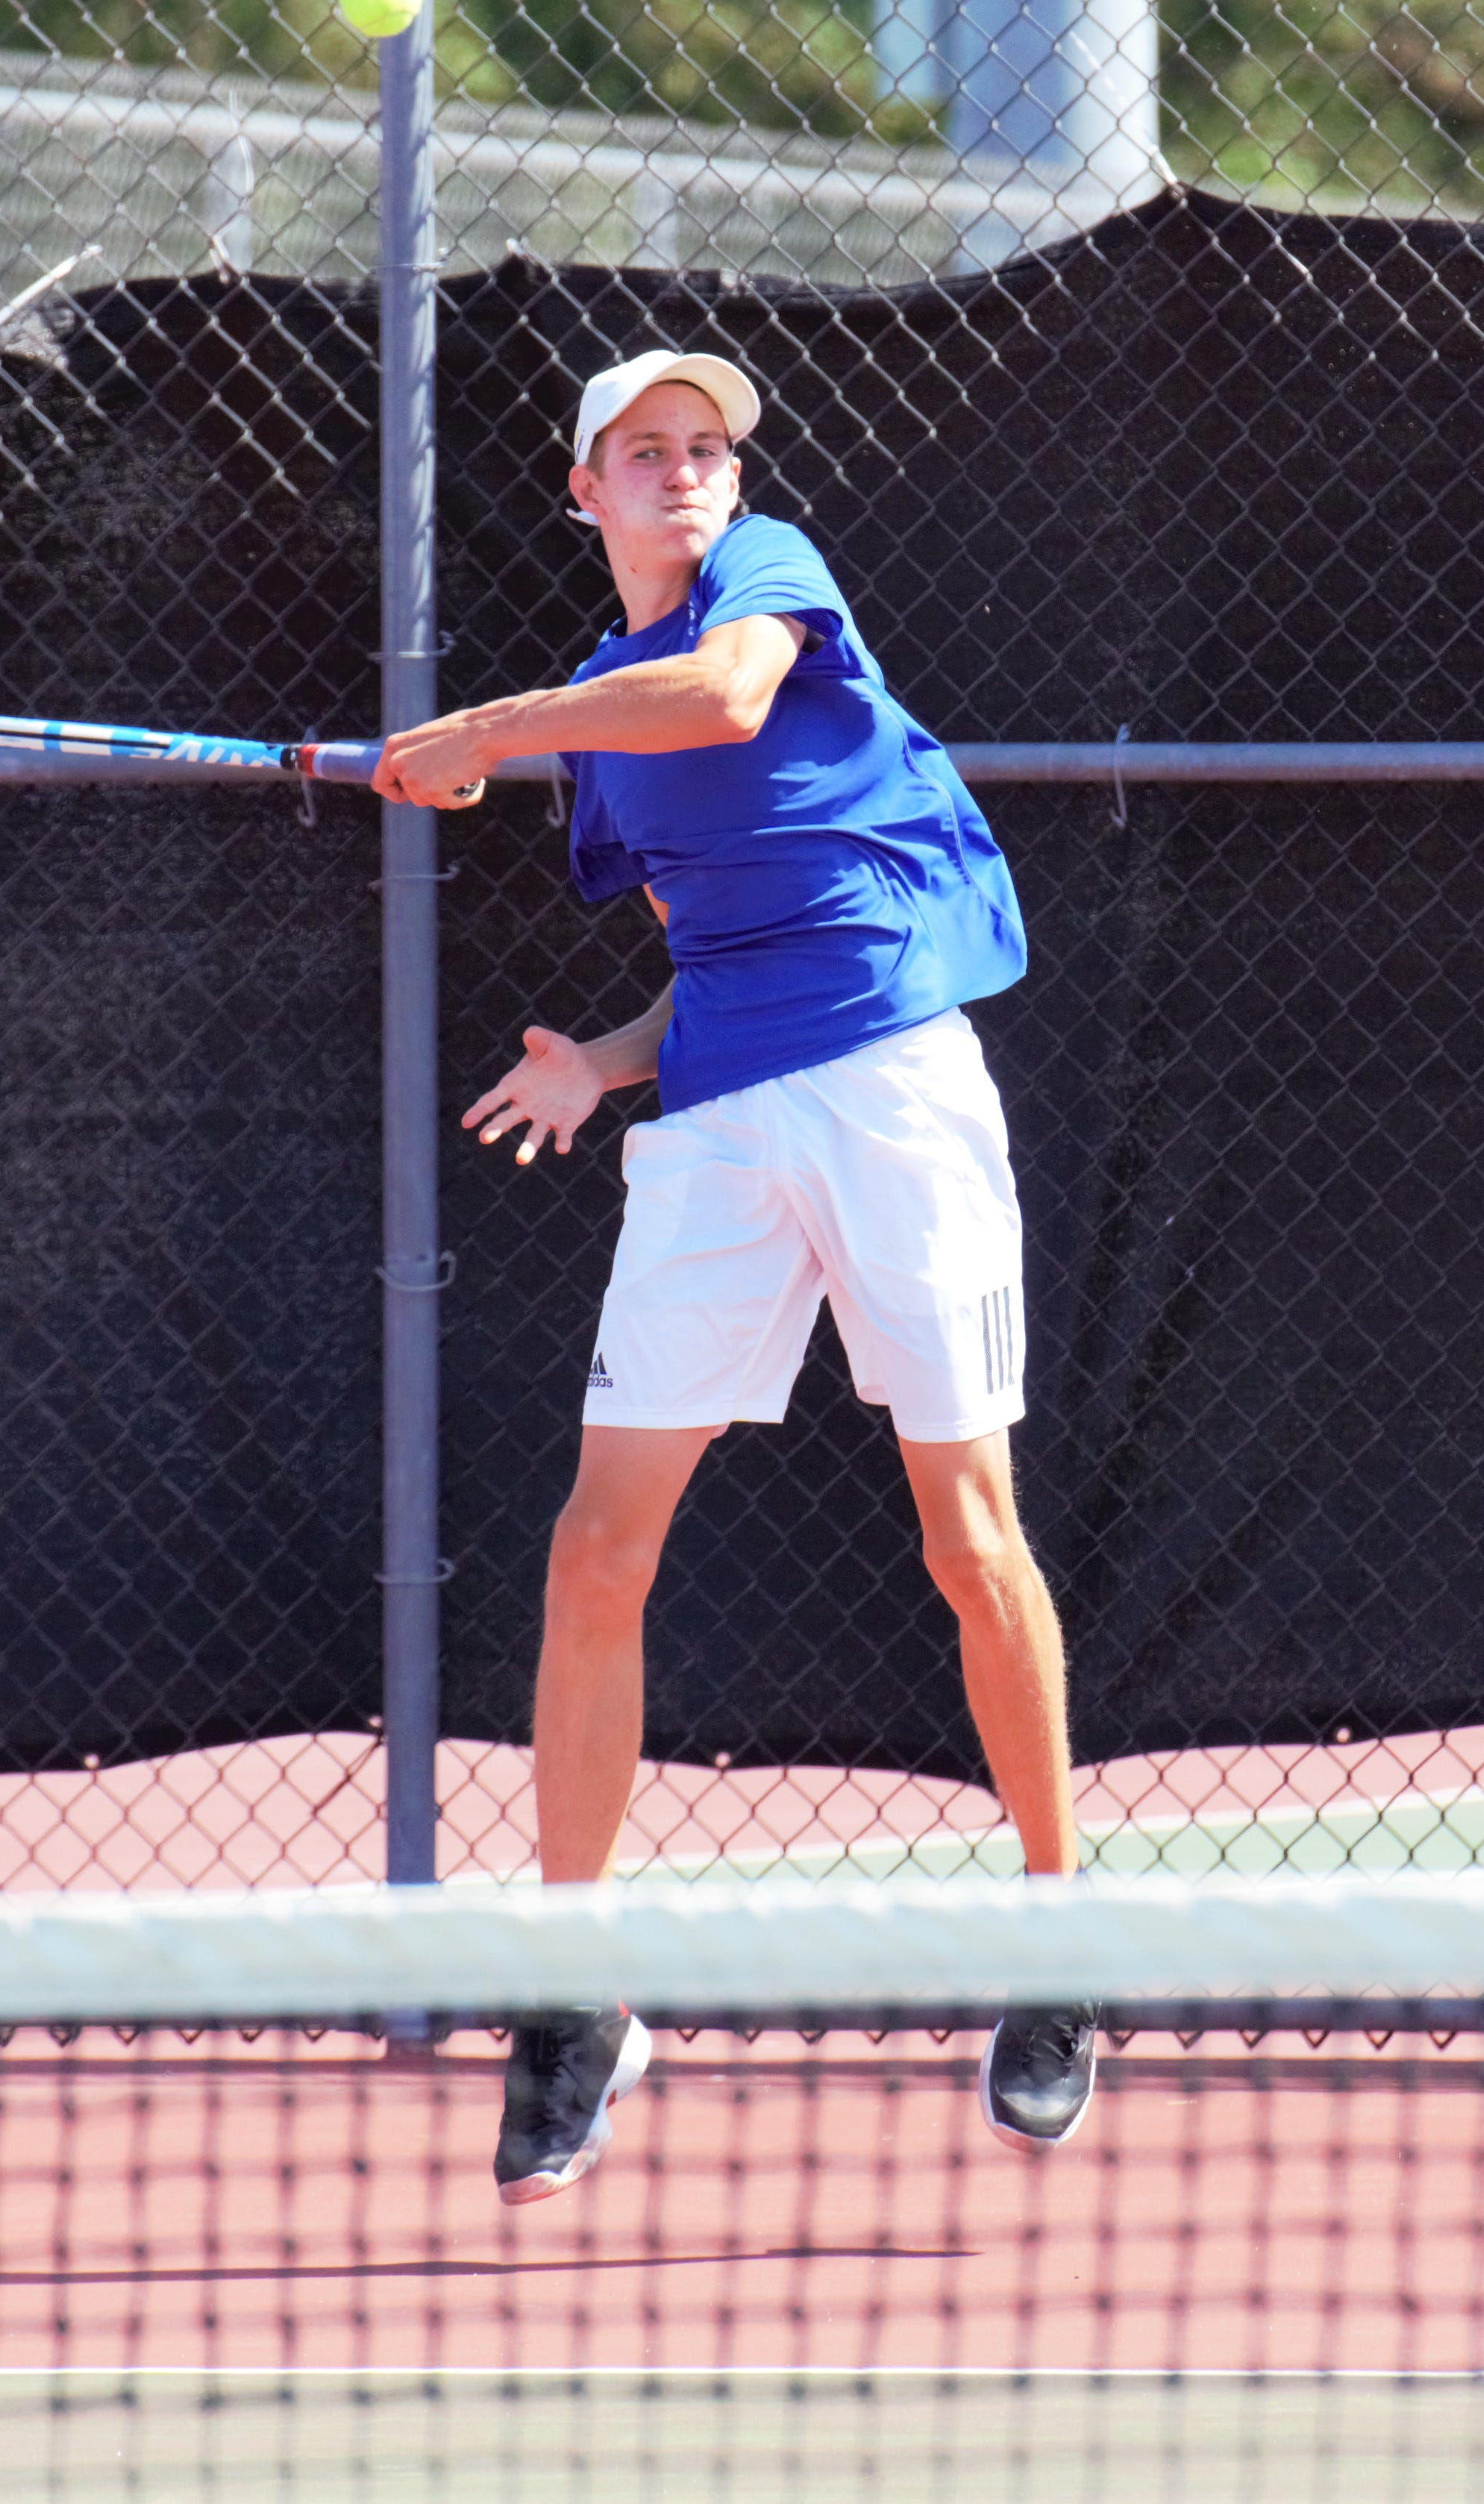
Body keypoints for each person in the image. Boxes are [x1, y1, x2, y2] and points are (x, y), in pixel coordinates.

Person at [374, 349, 1092, 2206]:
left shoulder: (763, 582)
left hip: (894, 1091)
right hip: (717, 1123)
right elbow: (714, 953)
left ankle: (1063, 1928)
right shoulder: (608, 744)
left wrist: (486, 728)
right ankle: (581, 1984)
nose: (687, 472)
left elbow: (719, 695)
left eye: (705, 447)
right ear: (583, 489)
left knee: (967, 1530)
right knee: (595, 1546)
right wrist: (594, 1065)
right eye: (648, 452)